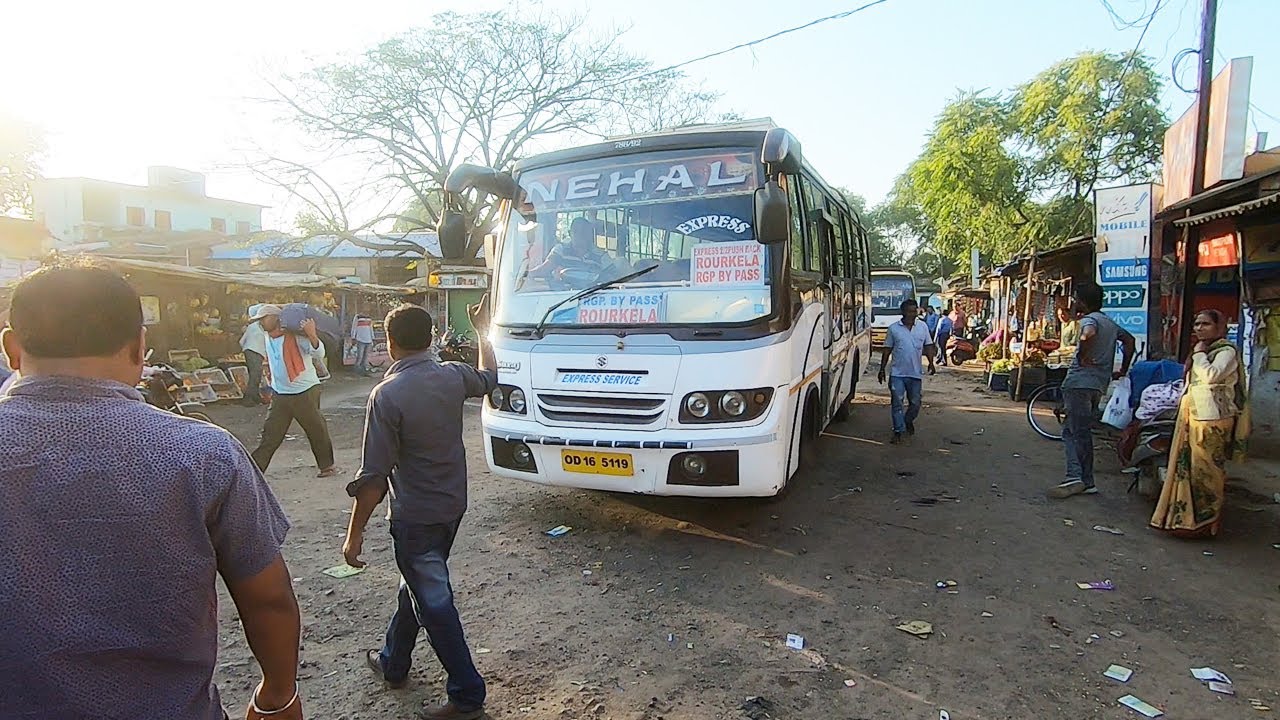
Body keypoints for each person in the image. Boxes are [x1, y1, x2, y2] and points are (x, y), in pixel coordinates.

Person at [0, 263, 302, 720]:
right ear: (140, 349)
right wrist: (277, 697)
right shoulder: (204, 454)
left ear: (11, 348)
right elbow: (268, 598)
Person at [342, 300, 498, 720]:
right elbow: (490, 377)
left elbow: (374, 477)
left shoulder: (387, 394)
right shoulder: (453, 376)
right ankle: (394, 661)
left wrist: (353, 535)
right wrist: (482, 330)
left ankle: (467, 695)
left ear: (389, 342)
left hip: (415, 516)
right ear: (430, 338)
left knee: (434, 603)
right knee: (417, 585)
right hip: (451, 508)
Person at [1150, 309, 1249, 538]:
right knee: (1189, 469)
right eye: (1196, 324)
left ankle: (1206, 522)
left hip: (1212, 419)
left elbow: (1211, 376)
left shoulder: (1225, 352)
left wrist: (1199, 354)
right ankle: (1185, 520)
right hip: (1194, 414)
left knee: (1207, 472)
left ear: (1219, 327)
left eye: (1205, 324)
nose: (1198, 328)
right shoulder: (1205, 349)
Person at [1049, 283, 1136, 499]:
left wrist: (1083, 355)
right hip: (1098, 384)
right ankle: (1086, 480)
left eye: (1075, 298)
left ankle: (1076, 477)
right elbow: (1130, 341)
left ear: (1082, 301)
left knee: (1073, 432)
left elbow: (1087, 335)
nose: (1073, 303)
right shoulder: (1109, 322)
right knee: (1082, 430)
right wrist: (1122, 369)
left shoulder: (1090, 321)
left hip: (1079, 383)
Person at [249, 304, 338, 477]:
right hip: (280, 393)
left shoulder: (296, 337)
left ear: (275, 318)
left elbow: (319, 354)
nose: (261, 323)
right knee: (270, 435)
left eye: (263, 319)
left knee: (316, 430)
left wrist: (311, 333)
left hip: (304, 391)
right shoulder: (268, 336)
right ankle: (254, 471)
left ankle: (327, 467)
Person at [878, 298, 937, 444]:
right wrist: (882, 369)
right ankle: (898, 431)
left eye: (914, 311)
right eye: (909, 311)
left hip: (915, 373)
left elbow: (928, 345)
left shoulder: (922, 327)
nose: (912, 314)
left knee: (915, 403)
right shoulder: (893, 329)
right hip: (897, 374)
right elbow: (887, 350)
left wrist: (931, 363)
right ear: (903, 312)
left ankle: (907, 420)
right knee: (897, 402)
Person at [526, 217, 612, 287]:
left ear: (590, 234)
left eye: (584, 231)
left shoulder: (601, 255)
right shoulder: (560, 250)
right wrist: (526, 275)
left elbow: (614, 277)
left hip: (593, 296)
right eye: (576, 231)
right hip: (563, 296)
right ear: (570, 233)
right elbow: (545, 269)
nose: (580, 235)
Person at [240, 303, 271, 406]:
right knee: (255, 375)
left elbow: (242, 341)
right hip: (254, 351)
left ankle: (255, 397)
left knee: (256, 375)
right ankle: (248, 399)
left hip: (251, 351)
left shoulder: (253, 326)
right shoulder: (258, 326)